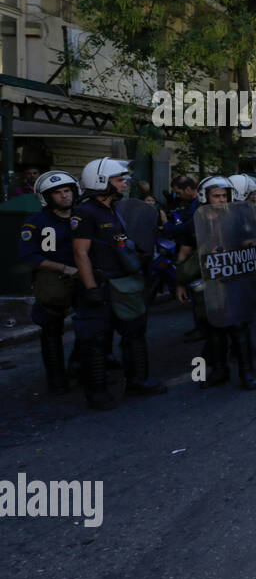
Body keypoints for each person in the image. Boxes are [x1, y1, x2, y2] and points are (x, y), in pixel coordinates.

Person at [70, 157, 167, 409]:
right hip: (101, 285)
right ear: (101, 181)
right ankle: (97, 392)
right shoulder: (85, 211)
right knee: (96, 340)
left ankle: (137, 381)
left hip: (123, 284)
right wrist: (91, 288)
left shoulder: (113, 208)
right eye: (119, 180)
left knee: (134, 333)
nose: (124, 184)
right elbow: (81, 253)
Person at [173, 176, 256, 390]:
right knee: (214, 329)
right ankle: (219, 371)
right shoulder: (194, 222)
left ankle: (247, 372)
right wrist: (180, 283)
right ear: (205, 197)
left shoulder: (238, 219)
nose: (222, 200)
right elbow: (184, 255)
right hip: (209, 283)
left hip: (234, 279)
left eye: (224, 196)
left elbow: (250, 245)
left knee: (239, 326)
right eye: (217, 196)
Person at [18, 171, 84, 394]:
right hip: (53, 280)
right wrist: (62, 268)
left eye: (67, 191)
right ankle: (57, 381)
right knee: (51, 331)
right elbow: (28, 256)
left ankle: (79, 367)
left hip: (84, 278)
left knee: (92, 325)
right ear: (47, 197)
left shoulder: (83, 216)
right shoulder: (36, 222)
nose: (64, 196)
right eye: (57, 193)